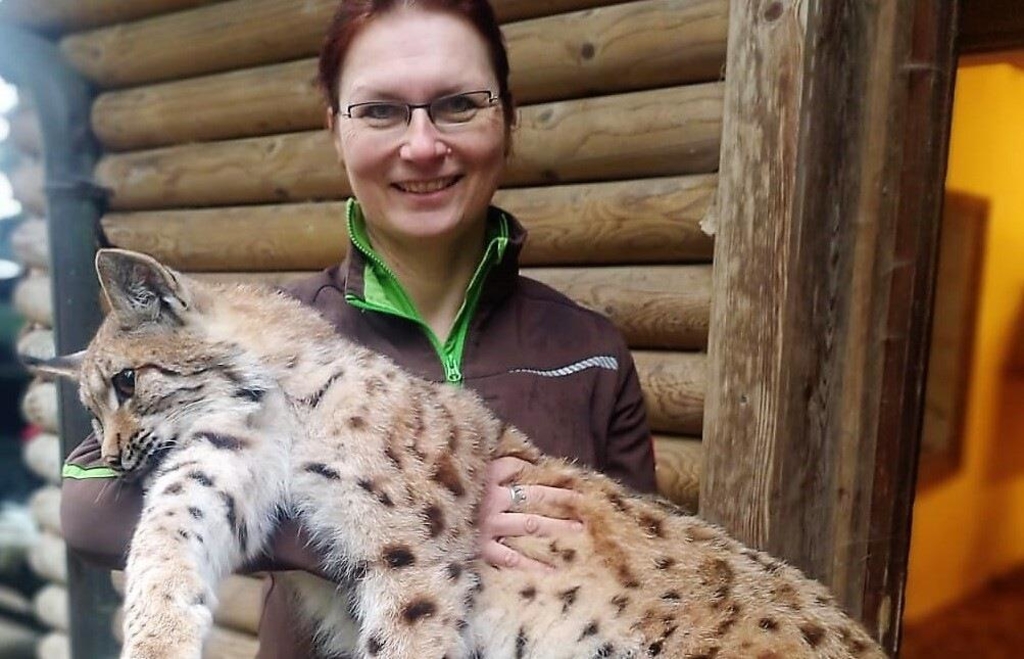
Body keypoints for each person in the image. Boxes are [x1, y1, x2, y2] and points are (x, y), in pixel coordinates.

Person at [59, 0, 656, 655]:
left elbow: (643, 567)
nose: (422, 146)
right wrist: (383, 519)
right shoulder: (272, 333)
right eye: (380, 111)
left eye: (459, 104)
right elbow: (88, 506)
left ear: (508, 118)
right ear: (336, 130)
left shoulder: (589, 351)